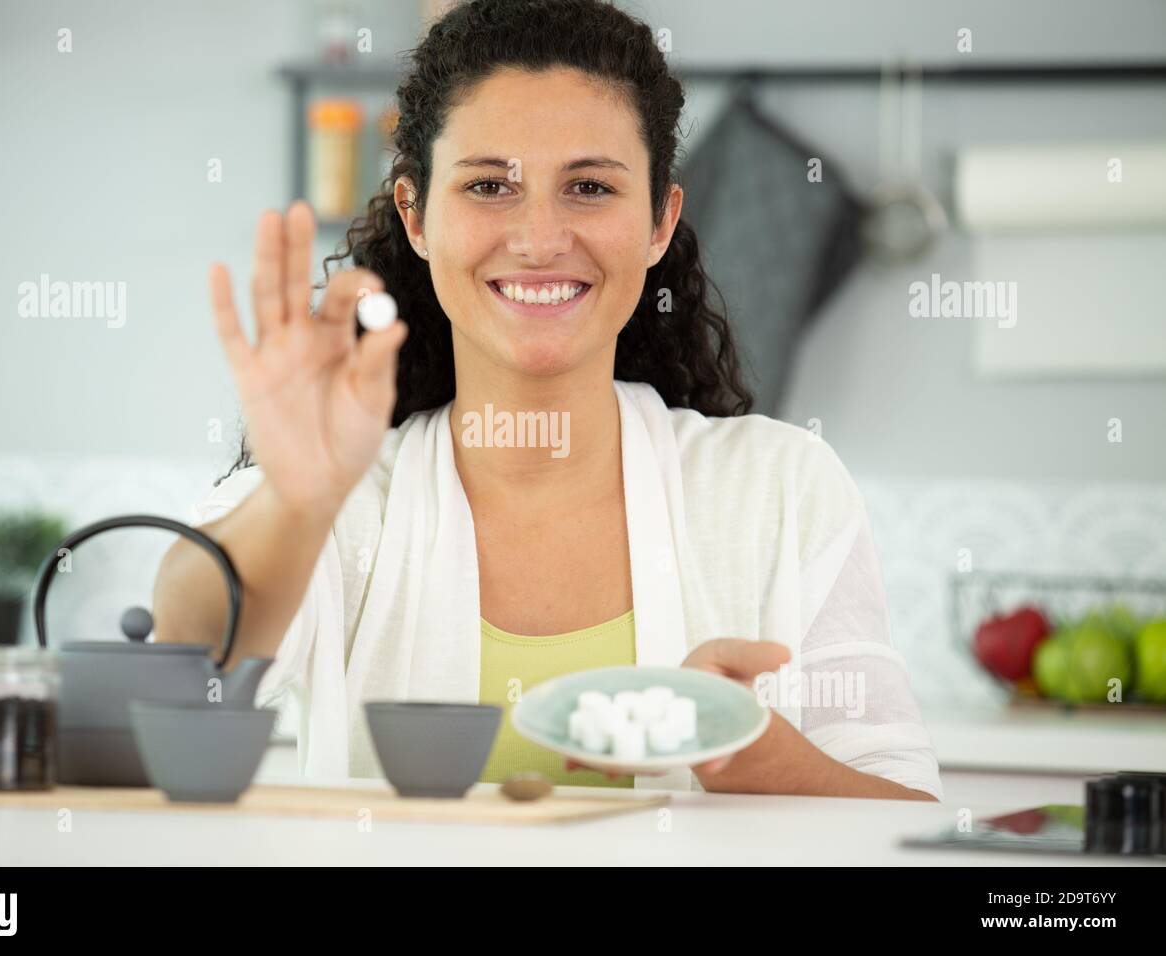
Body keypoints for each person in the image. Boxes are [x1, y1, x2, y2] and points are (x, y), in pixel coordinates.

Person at [153, 0, 942, 800]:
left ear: (660, 221)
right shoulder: (342, 497)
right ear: (416, 215)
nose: (538, 238)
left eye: (590, 187)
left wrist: (747, 756)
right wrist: (294, 501)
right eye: (490, 185)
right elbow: (188, 658)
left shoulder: (780, 488)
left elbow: (910, 822)